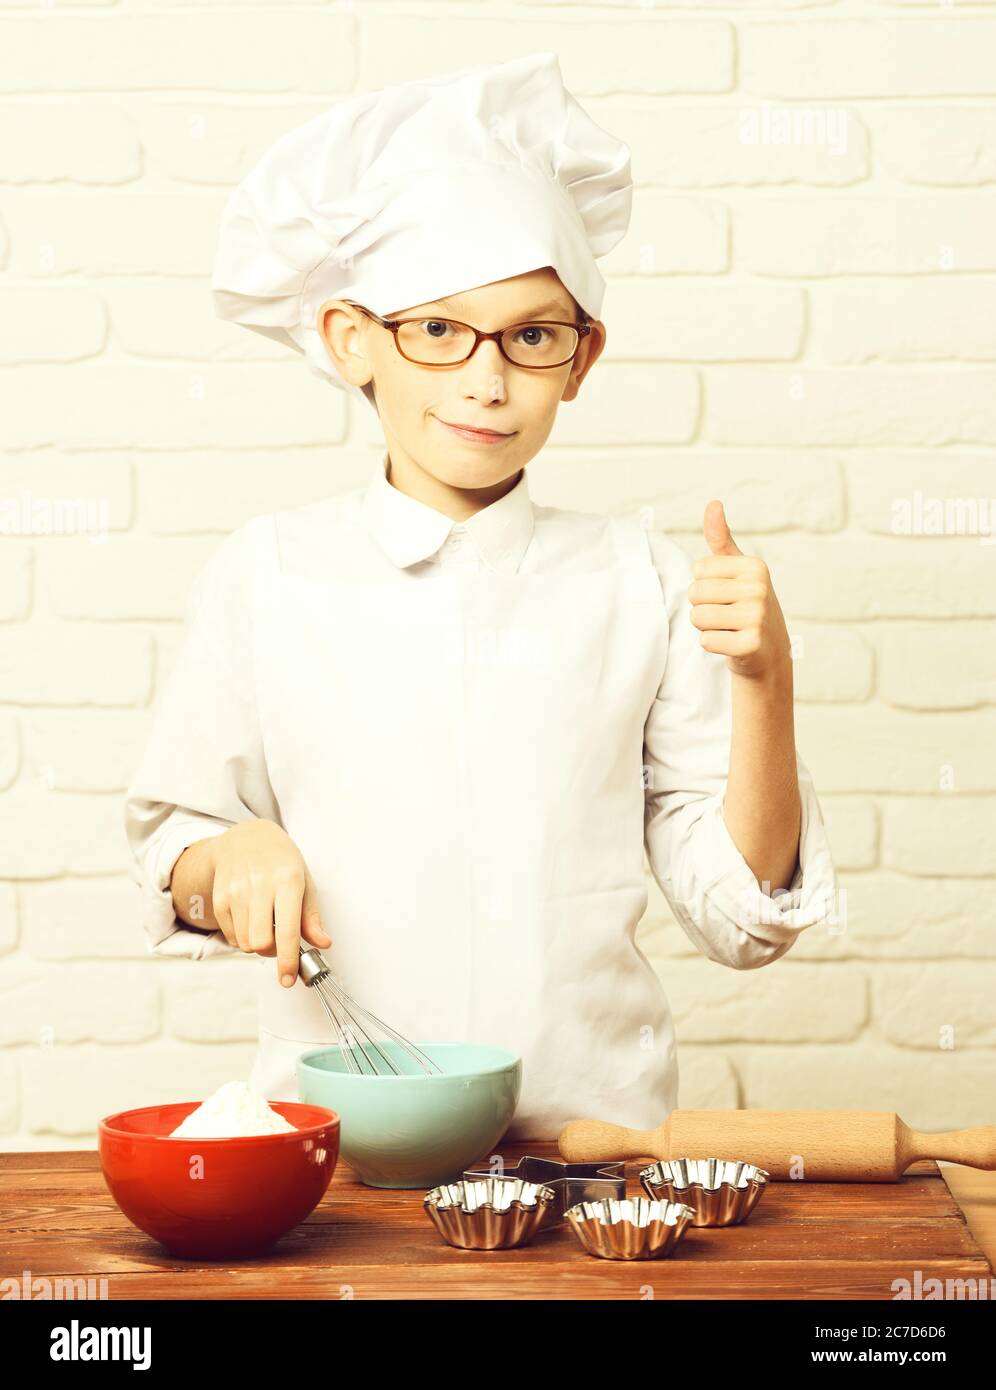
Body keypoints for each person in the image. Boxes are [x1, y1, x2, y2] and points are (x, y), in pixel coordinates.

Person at [123, 52, 838, 1138]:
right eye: (439, 330)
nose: (486, 379)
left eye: (532, 336)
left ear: (581, 358)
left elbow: (743, 920)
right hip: (335, 1156)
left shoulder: (641, 582)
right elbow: (175, 841)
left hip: (595, 1155)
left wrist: (765, 680)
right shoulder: (266, 573)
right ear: (353, 342)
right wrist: (226, 854)